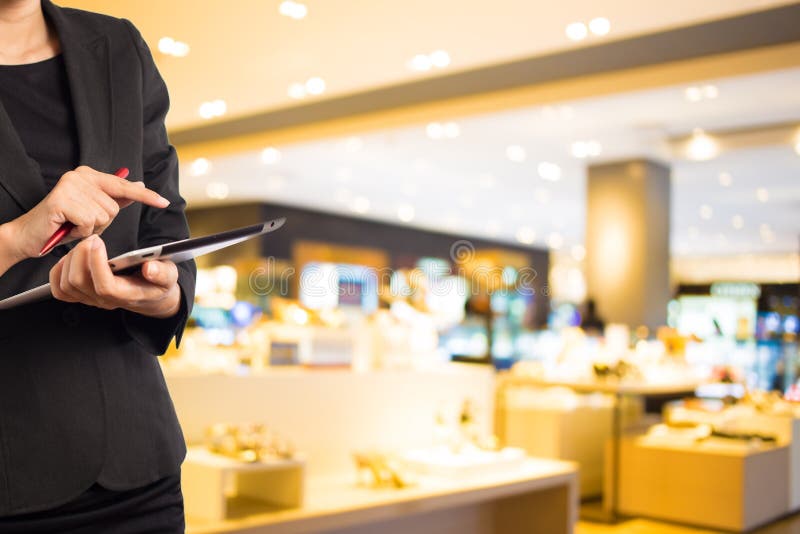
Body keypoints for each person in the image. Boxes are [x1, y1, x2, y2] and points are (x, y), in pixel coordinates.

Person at [0, 0, 195, 531]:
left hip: (138, 467)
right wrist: (17, 237)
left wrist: (160, 294)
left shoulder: (117, 45)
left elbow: (164, 221)